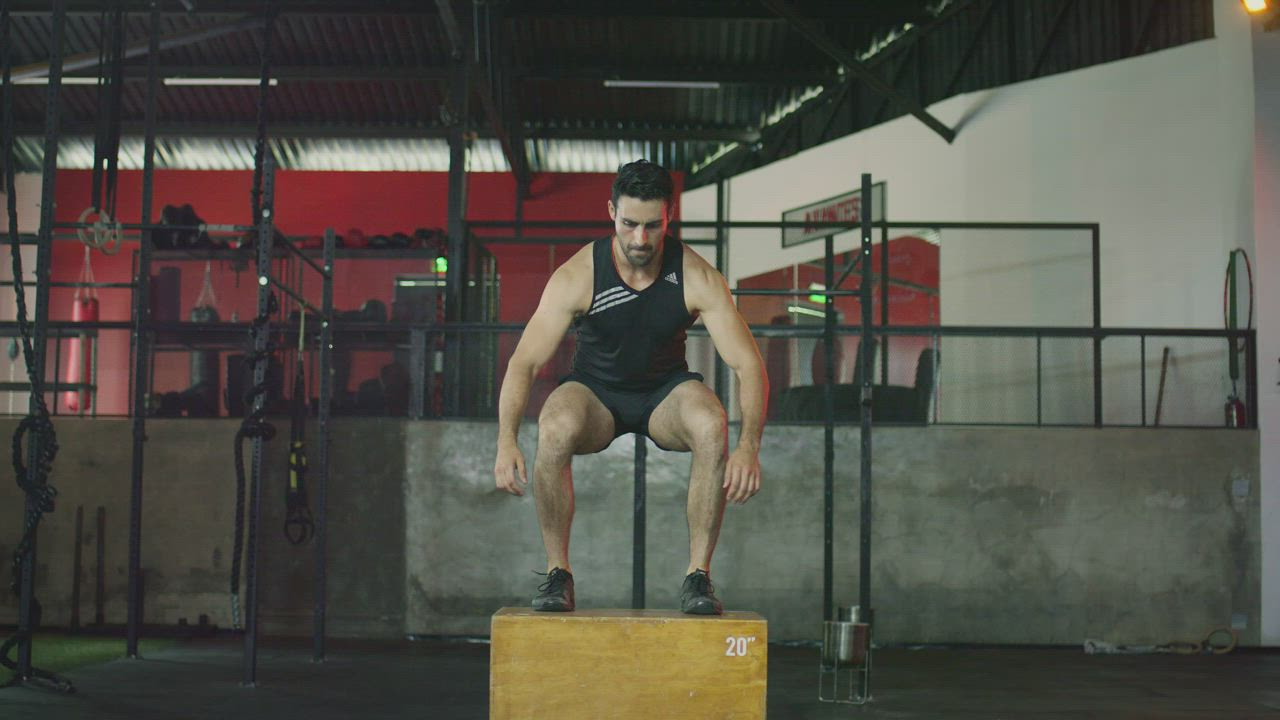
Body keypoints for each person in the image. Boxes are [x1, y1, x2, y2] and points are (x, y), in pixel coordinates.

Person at [493, 159, 767, 615]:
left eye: (652, 226)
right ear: (611, 213)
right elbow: (524, 361)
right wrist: (505, 440)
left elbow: (749, 365)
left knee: (711, 422)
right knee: (555, 426)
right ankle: (558, 574)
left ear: (669, 219)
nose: (640, 239)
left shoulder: (697, 276)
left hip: (665, 394)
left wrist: (749, 446)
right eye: (629, 224)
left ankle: (697, 577)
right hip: (595, 394)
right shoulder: (577, 276)